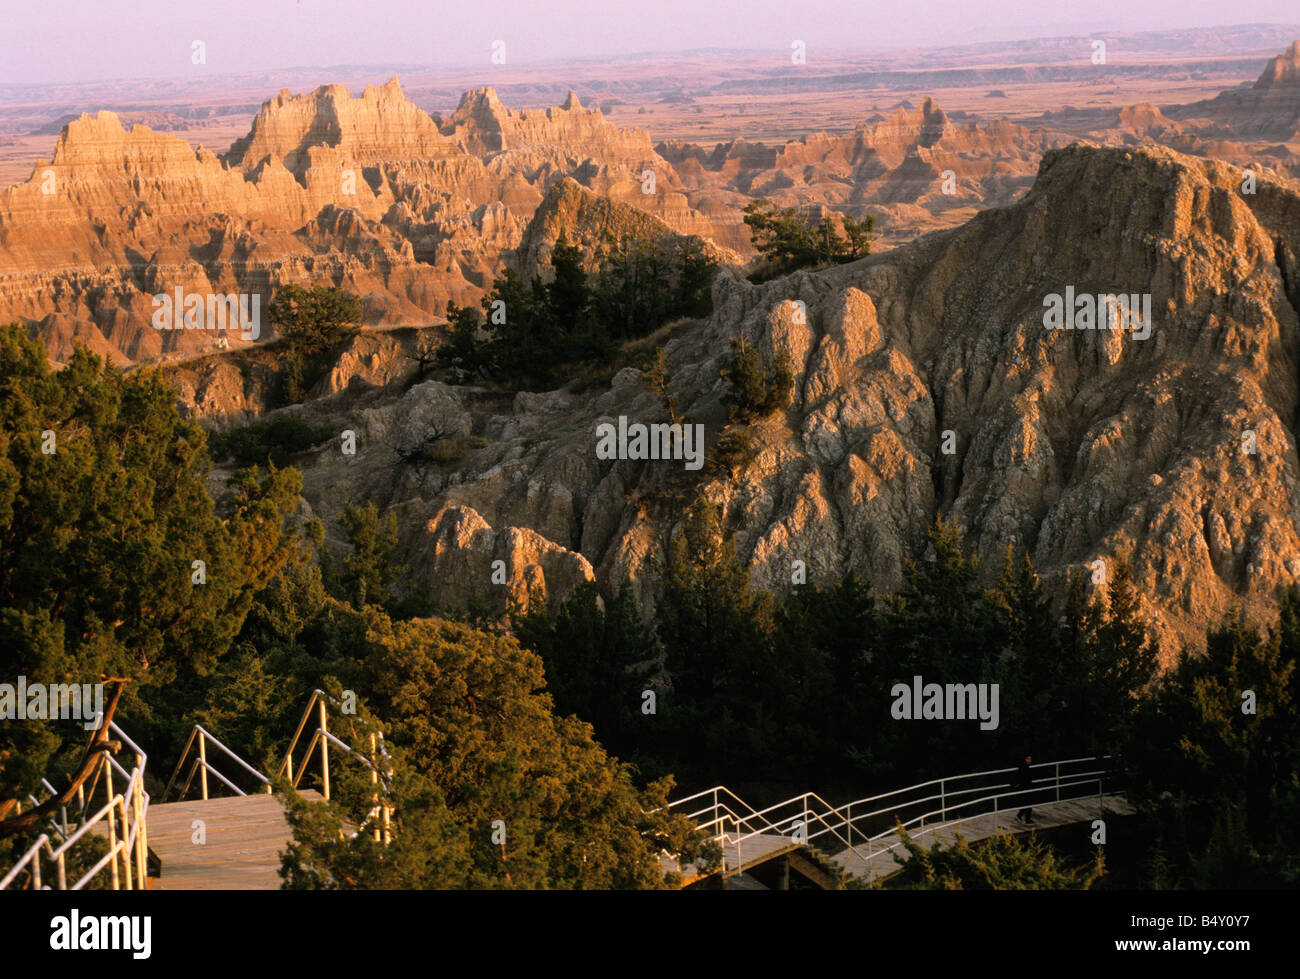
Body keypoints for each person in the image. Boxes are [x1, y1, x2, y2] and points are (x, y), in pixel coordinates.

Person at [1014, 754, 1035, 825]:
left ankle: (1020, 816)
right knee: (1028, 803)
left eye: (1030, 759)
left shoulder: (1025, 766)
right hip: (1025, 787)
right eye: (1028, 759)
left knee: (1027, 803)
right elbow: (1022, 777)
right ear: (1024, 759)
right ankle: (1027, 819)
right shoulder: (1024, 767)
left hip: (1026, 786)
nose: (1029, 760)